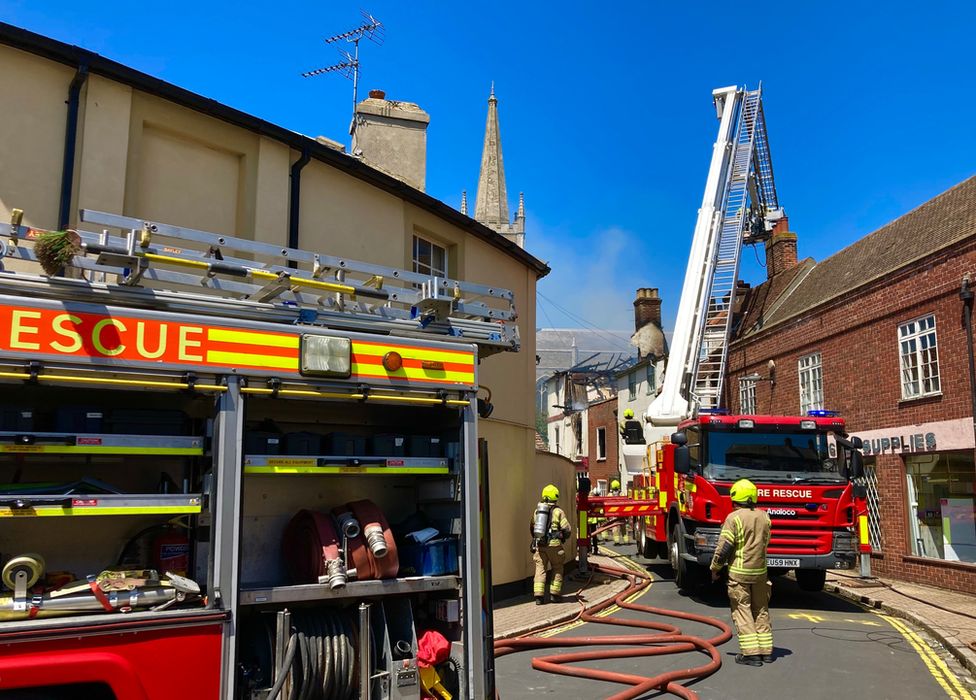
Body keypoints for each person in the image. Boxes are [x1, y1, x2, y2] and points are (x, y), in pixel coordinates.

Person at [709, 478, 773, 666]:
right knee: (761, 610)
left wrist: (715, 568)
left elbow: (724, 548)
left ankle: (751, 654)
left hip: (739, 573)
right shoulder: (765, 517)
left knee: (742, 611)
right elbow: (765, 543)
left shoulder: (734, 518)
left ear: (735, 497)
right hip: (760, 573)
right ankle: (766, 651)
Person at [530, 484, 572, 605]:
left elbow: (532, 527)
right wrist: (562, 536)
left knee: (540, 569)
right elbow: (567, 529)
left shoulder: (537, 511)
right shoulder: (558, 511)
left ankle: (539, 597)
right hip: (554, 546)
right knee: (557, 568)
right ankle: (554, 594)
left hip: (540, 545)